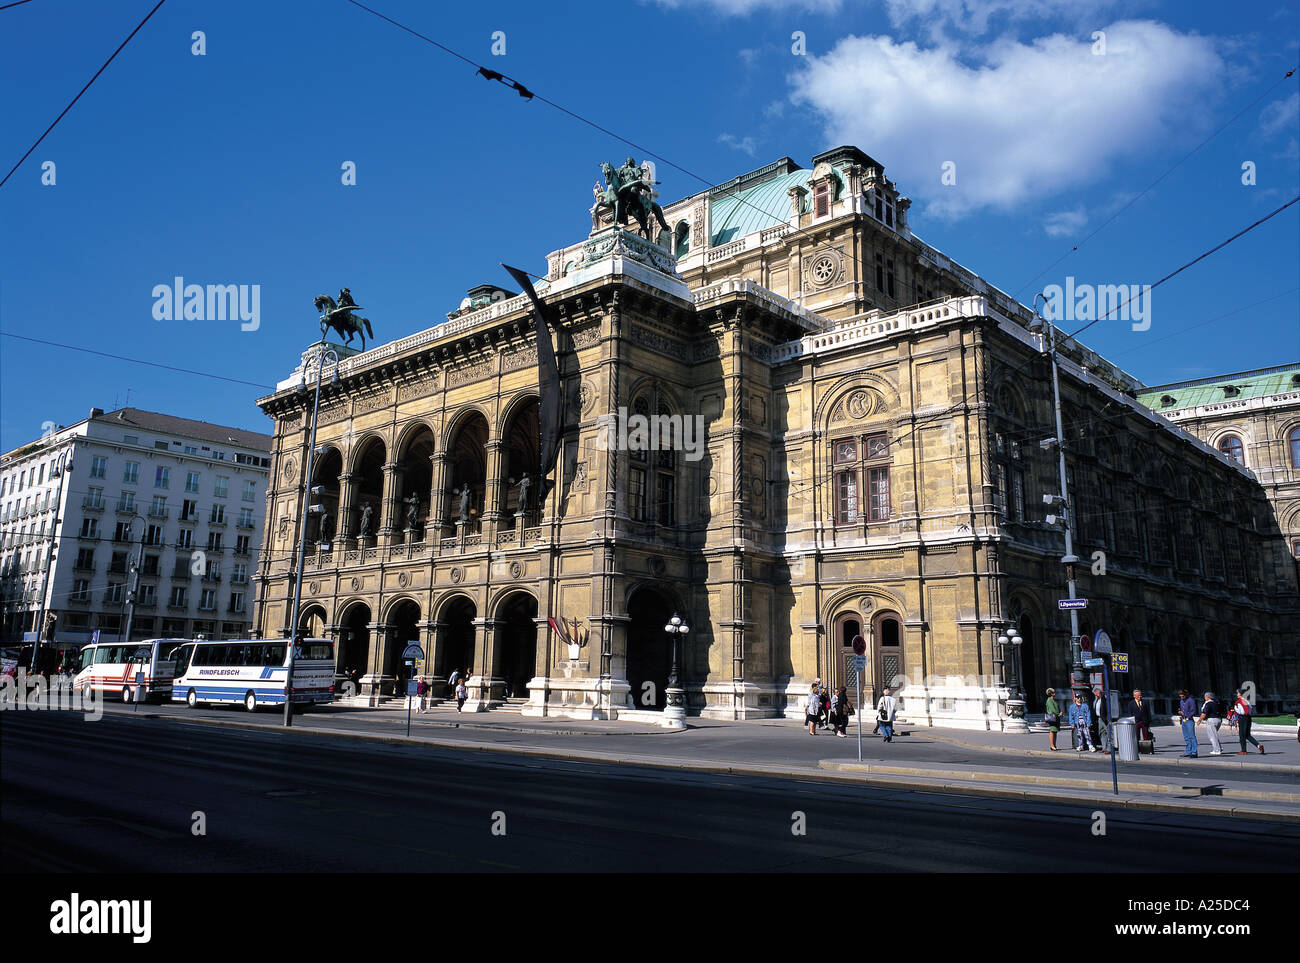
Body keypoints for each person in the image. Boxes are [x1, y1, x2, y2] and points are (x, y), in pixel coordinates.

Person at [1234, 688, 1263, 754]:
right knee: (1247, 735)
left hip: (1243, 718)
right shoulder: (1247, 701)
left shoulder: (1239, 702)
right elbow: (1249, 710)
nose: (1237, 694)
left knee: (1242, 735)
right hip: (1248, 718)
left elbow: (1243, 712)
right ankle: (1258, 745)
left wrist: (1236, 709)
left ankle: (1243, 750)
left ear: (1241, 694)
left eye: (1238, 693)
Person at [1197, 691, 1223, 756]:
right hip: (1218, 719)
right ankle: (1219, 748)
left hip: (1211, 720)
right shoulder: (1216, 703)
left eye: (1205, 696)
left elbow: (1204, 713)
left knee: (1212, 736)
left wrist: (1199, 720)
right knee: (1214, 735)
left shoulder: (1208, 704)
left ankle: (1217, 750)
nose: (1204, 697)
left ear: (1207, 697)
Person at [1177, 689, 1199, 758]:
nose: (1181, 698)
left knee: (1192, 736)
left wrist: (1187, 715)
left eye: (1183, 696)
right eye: (1180, 696)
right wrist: (1181, 714)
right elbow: (1182, 709)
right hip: (1183, 720)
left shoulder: (1190, 700)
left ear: (1186, 695)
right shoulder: (1181, 701)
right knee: (1186, 737)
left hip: (1189, 720)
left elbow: (1193, 711)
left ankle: (1194, 752)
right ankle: (1188, 751)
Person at [1092, 686, 1111, 753]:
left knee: (1109, 733)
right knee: (1101, 733)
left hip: (1105, 718)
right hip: (1099, 718)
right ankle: (1104, 747)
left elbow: (1106, 708)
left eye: (1096, 694)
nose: (1095, 695)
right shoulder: (1097, 699)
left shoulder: (1104, 698)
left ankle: (1109, 749)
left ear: (1098, 693)